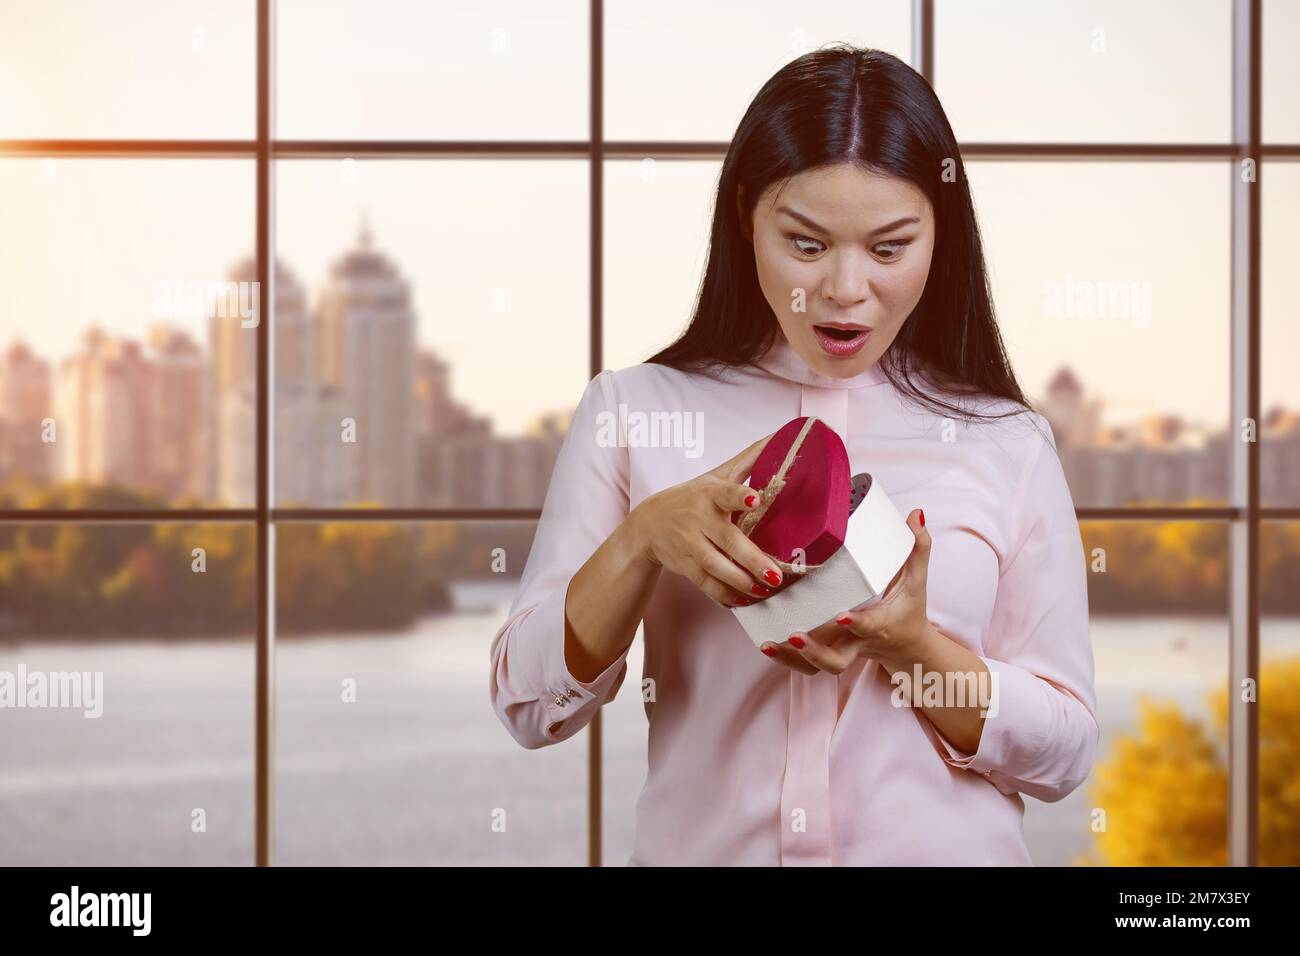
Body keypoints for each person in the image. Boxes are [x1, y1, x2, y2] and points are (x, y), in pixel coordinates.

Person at [488, 44, 1098, 866]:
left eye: (889, 248)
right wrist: (642, 539)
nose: (847, 290)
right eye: (806, 245)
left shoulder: (1004, 441)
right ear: (746, 217)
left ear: (939, 237)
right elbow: (528, 708)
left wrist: (914, 650)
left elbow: (1063, 754)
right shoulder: (636, 410)